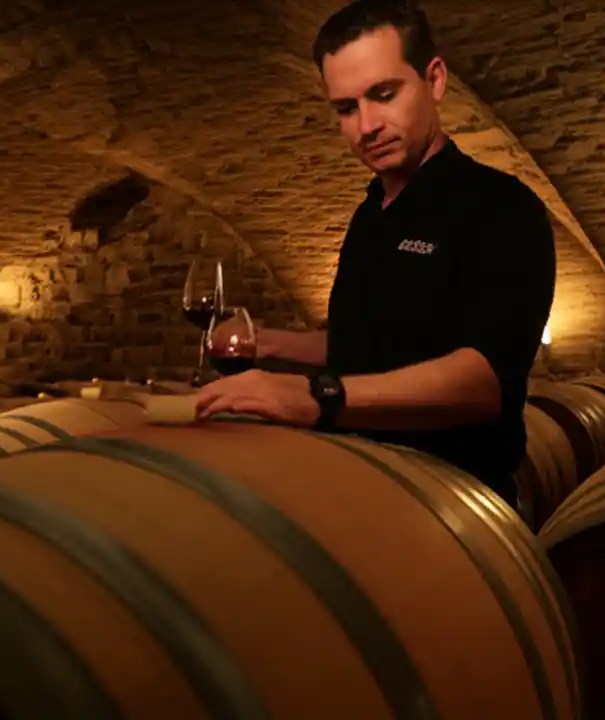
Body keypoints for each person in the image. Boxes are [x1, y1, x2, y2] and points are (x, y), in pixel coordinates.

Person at [195, 0, 555, 510]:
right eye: (346, 108)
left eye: (383, 95)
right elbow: (367, 344)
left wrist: (317, 396)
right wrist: (267, 342)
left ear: (434, 80)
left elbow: (483, 382)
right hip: (354, 479)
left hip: (452, 500)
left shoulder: (501, 207)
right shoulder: (370, 214)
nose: (366, 125)